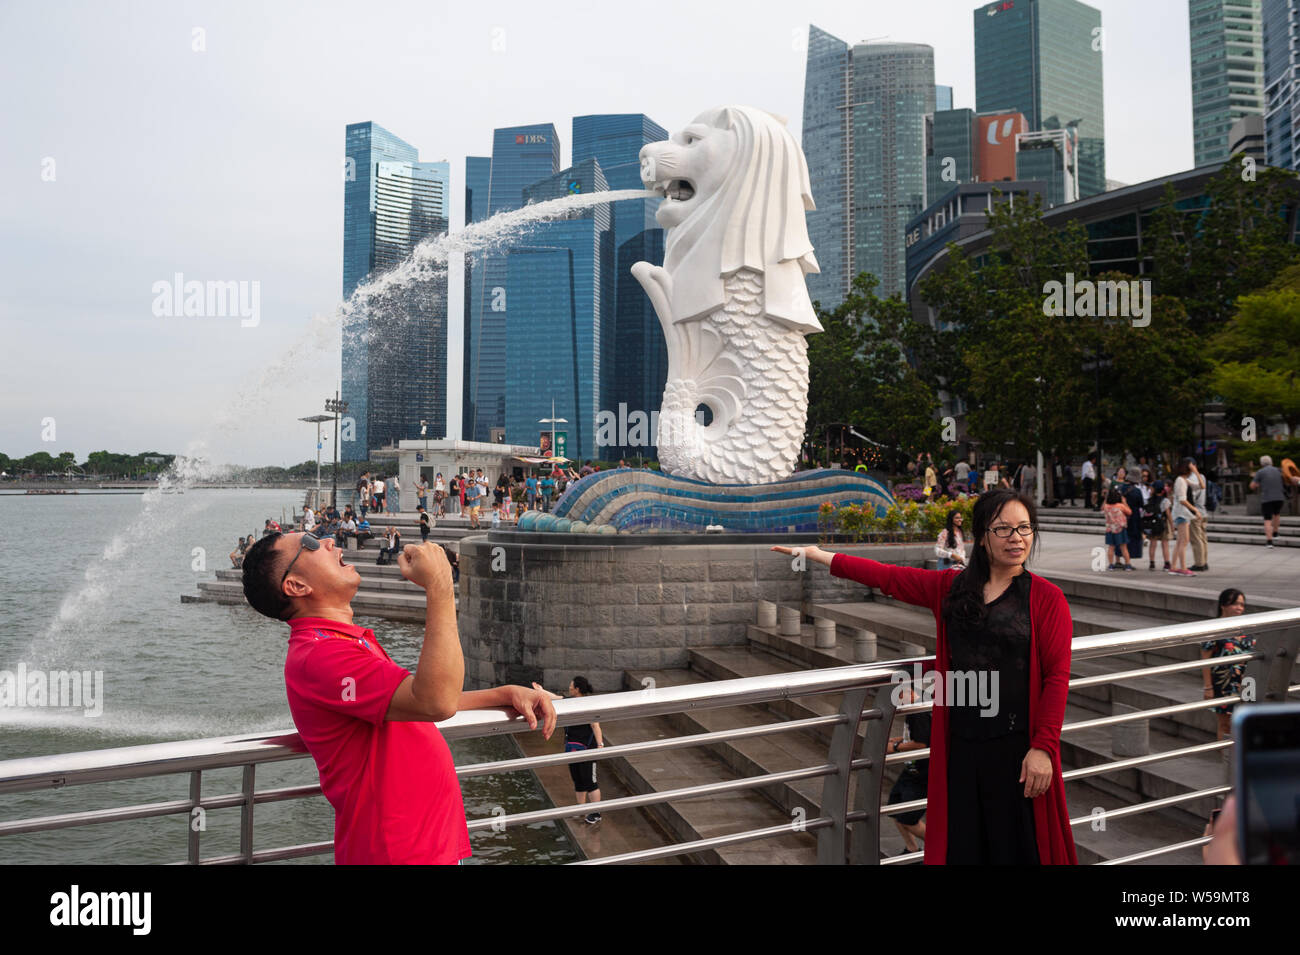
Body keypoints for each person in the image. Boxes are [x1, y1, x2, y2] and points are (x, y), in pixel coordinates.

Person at [771, 489, 1077, 865]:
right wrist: (820, 556)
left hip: (1017, 752)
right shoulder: (951, 588)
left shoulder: (1047, 599)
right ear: (982, 535)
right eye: (1003, 529)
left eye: (1024, 528)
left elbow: (1056, 678)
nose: (1016, 538)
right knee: (967, 847)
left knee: (1019, 849)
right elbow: (888, 577)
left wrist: (1044, 748)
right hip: (961, 750)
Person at [238, 532, 556, 864]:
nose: (329, 541)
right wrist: (439, 585)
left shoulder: (340, 641)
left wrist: (502, 694)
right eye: (311, 543)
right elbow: (435, 701)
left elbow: (416, 699)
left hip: (426, 844)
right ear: (297, 586)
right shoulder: (321, 656)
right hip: (397, 851)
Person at [1199, 589, 1253, 744]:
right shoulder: (1214, 629)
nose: (1239, 608)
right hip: (1224, 684)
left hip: (1248, 683)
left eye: (1242, 605)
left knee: (1246, 722)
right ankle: (1227, 760)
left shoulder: (1248, 627)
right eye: (1235, 603)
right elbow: (1205, 660)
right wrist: (1208, 687)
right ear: (1223, 605)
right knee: (1226, 724)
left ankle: (1243, 758)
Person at [886, 680, 930, 855]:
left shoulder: (918, 710)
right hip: (911, 770)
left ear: (908, 692)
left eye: (899, 697)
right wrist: (898, 740)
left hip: (921, 774)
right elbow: (917, 735)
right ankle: (911, 849)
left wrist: (895, 748)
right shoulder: (916, 703)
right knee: (896, 808)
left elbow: (922, 743)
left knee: (908, 819)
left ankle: (947, 850)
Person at [559, 676, 603, 823]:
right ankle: (581, 809)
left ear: (577, 689)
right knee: (577, 780)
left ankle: (596, 813)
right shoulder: (570, 702)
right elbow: (556, 697)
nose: (569, 688)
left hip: (587, 749)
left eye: (571, 686)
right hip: (573, 749)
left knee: (590, 782)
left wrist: (600, 745)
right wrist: (540, 691)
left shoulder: (587, 704)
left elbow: (595, 725)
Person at [1250, 455, 1297, 547]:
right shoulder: (1279, 471)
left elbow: (1252, 486)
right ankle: (1275, 533)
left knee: (1267, 519)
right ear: (1271, 462)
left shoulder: (1260, 472)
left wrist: (1258, 483)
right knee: (1276, 514)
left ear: (1261, 463)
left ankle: (1269, 541)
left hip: (1267, 498)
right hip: (1279, 497)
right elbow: (1286, 481)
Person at [1170, 458, 1201, 576]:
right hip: (1182, 513)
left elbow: (1201, 486)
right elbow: (1182, 500)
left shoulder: (1183, 480)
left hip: (1182, 513)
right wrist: (1195, 510)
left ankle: (1173, 566)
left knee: (1180, 541)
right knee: (1184, 541)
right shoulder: (1181, 481)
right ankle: (1183, 568)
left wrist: (1196, 472)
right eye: (1192, 466)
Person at [1143, 480, 1172, 571]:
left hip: (1152, 524)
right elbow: (1168, 514)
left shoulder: (1149, 500)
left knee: (1153, 543)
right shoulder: (1165, 500)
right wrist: (1172, 525)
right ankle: (1166, 563)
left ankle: (1152, 563)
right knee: (1165, 544)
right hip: (1162, 524)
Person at [1186, 459, 1210, 572]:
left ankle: (1199, 563)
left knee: (1196, 539)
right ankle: (1204, 562)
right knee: (1203, 538)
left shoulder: (1191, 478)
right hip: (1203, 510)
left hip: (1195, 512)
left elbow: (1193, 495)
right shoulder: (1202, 476)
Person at [1102, 487, 1133, 571]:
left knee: (1111, 547)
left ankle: (1111, 564)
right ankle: (1128, 564)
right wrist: (1125, 502)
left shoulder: (1106, 506)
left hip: (1110, 529)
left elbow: (1102, 507)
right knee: (1124, 547)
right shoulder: (1120, 506)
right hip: (1120, 528)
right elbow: (1129, 512)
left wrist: (1105, 498)